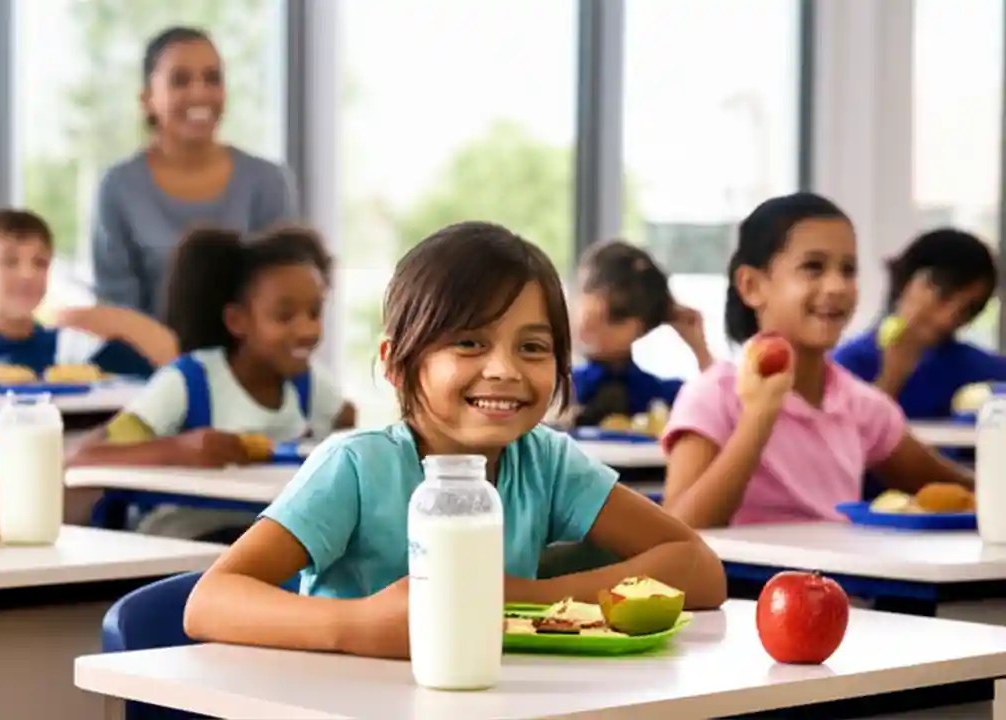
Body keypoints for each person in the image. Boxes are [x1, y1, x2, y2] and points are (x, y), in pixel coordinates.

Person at [181, 221, 726, 659]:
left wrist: (516, 596)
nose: (504, 369)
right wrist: (356, 625)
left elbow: (697, 568)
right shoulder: (357, 467)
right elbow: (208, 602)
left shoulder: (547, 463)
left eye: (533, 348)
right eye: (468, 342)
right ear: (397, 364)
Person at [661, 193, 973, 528]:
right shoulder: (715, 394)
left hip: (840, 580)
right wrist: (759, 417)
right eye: (813, 267)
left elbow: (956, 489)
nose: (837, 286)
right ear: (751, 286)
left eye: (849, 270)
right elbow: (678, 529)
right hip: (748, 581)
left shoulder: (860, 404)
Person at [70, 225, 354, 538]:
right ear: (237, 321)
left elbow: (347, 425)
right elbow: (85, 457)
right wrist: (179, 449)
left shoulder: (310, 384)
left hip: (271, 537)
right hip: (182, 540)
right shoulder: (188, 382)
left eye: (314, 313)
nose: (307, 331)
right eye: (284, 317)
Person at [90, 26, 297, 320]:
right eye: (180, 80)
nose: (199, 93)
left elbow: (284, 296)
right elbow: (116, 309)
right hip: (147, 364)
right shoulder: (118, 187)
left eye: (213, 79)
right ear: (147, 98)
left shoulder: (268, 182)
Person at [0, 208, 178, 386]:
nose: (27, 274)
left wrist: (111, 319)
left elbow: (158, 376)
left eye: (40, 263)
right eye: (10, 262)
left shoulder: (70, 348)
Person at [835, 228, 1006, 418]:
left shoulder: (982, 370)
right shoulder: (847, 366)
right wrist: (892, 378)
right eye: (944, 296)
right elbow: (845, 438)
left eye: (967, 310)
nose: (948, 319)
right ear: (906, 281)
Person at [567, 240, 712, 427]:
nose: (589, 322)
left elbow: (721, 411)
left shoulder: (662, 396)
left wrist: (700, 349)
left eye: (616, 317)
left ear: (643, 326)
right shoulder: (559, 388)